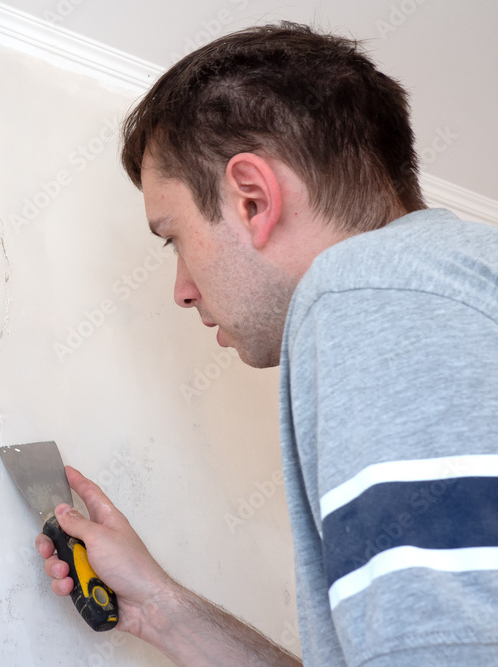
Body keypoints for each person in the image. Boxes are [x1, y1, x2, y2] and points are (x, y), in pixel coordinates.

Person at [36, 22, 498, 666]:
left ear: (253, 199)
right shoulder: (446, 284)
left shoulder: (364, 290)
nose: (182, 291)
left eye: (174, 237)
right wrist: (163, 609)